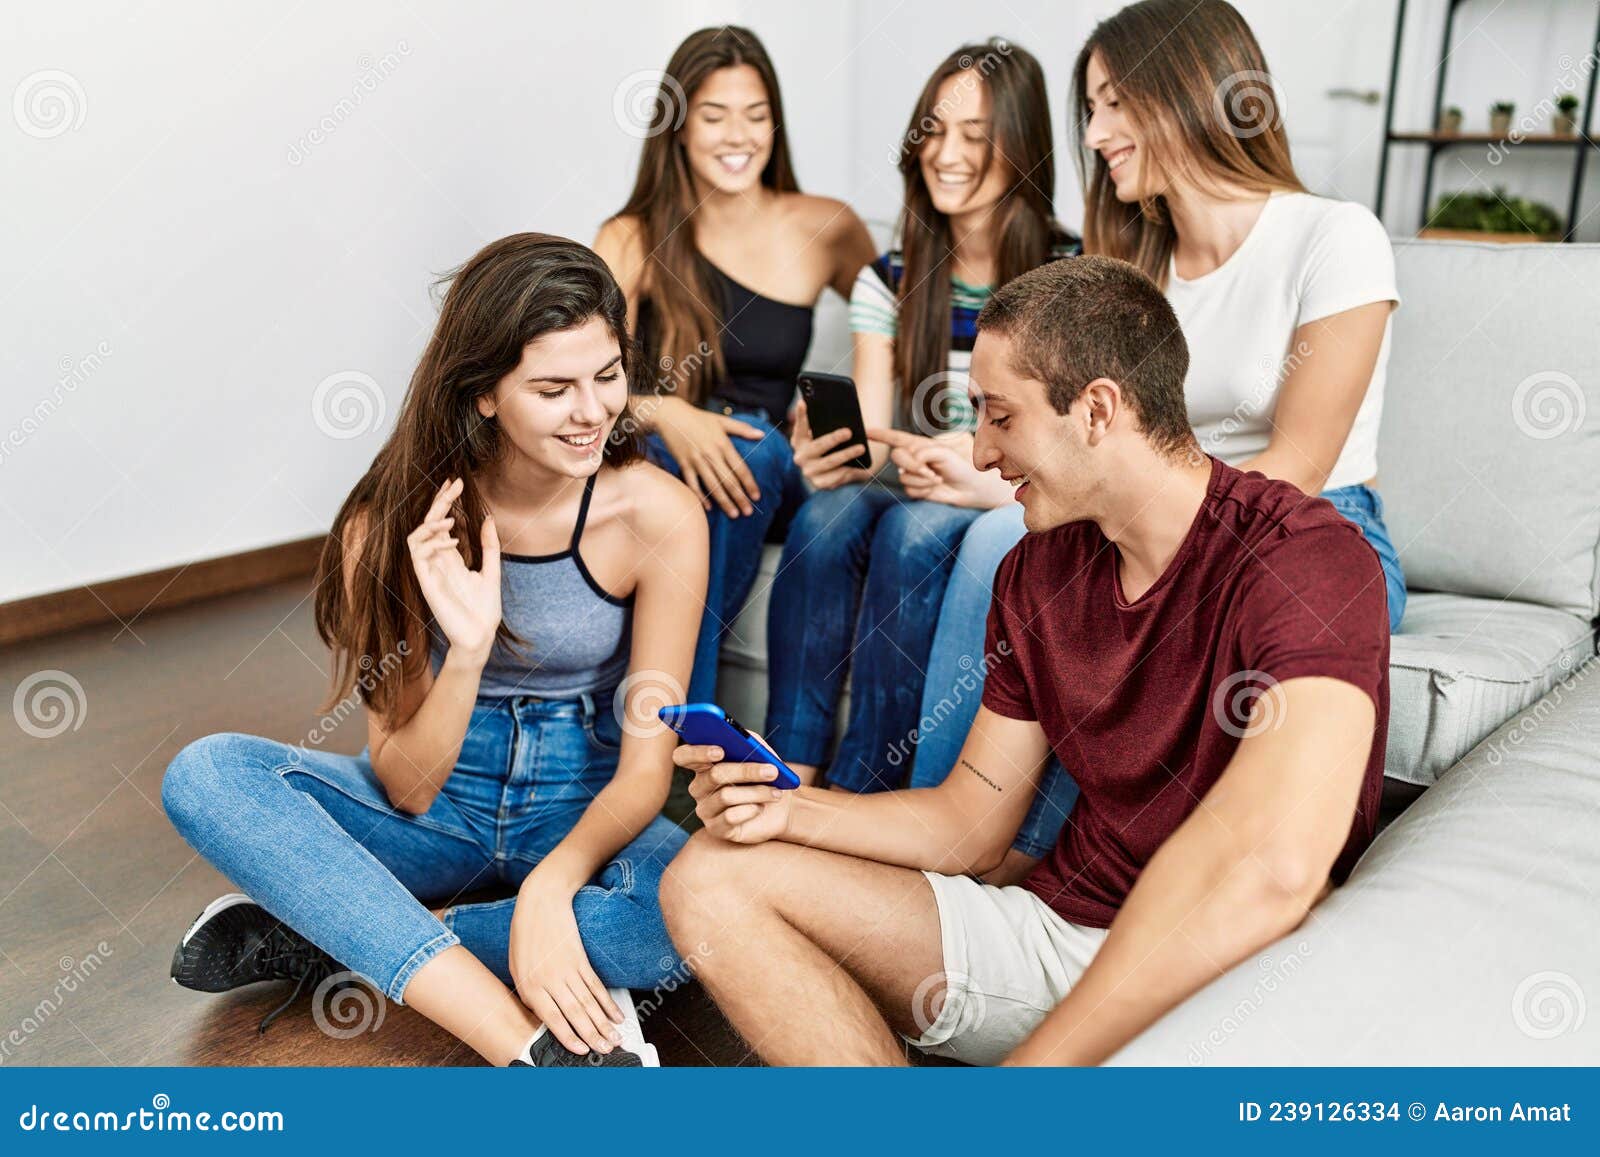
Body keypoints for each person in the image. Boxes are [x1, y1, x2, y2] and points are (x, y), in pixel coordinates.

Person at [660, 255, 1391, 1066]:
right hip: (1052, 934)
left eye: (999, 417)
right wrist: (791, 811)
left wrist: (1037, 1076)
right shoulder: (1037, 569)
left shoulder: (1307, 559)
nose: (978, 452)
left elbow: (1278, 864)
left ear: (1097, 409)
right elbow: (969, 822)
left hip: (1212, 974)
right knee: (707, 876)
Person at [162, 235, 705, 1067]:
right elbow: (409, 787)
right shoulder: (386, 526)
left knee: (676, 922)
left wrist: (551, 890)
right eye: (554, 388)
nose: (593, 411)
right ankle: (490, 1016)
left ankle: (340, 928)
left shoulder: (658, 516)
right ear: (484, 393)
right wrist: (470, 648)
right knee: (204, 772)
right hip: (435, 811)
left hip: (582, 804)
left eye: (607, 375)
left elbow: (645, 773)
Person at [909, 0, 1406, 869]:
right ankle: (954, 835)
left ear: (1187, 91)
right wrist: (986, 468)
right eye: (1091, 108)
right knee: (982, 535)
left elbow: (1297, 464)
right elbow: (1092, 448)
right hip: (1133, 518)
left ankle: (998, 857)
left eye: (1113, 103)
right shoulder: (1135, 265)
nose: (1096, 132)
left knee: (1009, 548)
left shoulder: (1334, 238)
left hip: (1309, 527)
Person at [764, 39, 1079, 788]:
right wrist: (834, 451)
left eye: (976, 137)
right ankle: (787, 771)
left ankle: (867, 786)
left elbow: (1074, 445)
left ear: (1023, 149)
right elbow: (871, 439)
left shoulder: (1071, 279)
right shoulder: (890, 278)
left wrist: (976, 469)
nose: (947, 154)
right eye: (935, 130)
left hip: (1003, 492)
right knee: (826, 515)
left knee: (911, 529)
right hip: (923, 482)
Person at [594, 25, 875, 704]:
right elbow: (586, 384)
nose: (737, 135)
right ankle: (667, 726)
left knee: (756, 456)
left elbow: (900, 317)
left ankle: (676, 726)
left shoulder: (826, 225)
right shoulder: (630, 236)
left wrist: (842, 411)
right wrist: (667, 412)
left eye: (756, 116)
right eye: (714, 117)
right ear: (679, 129)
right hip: (659, 452)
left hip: (769, 464)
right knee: (702, 468)